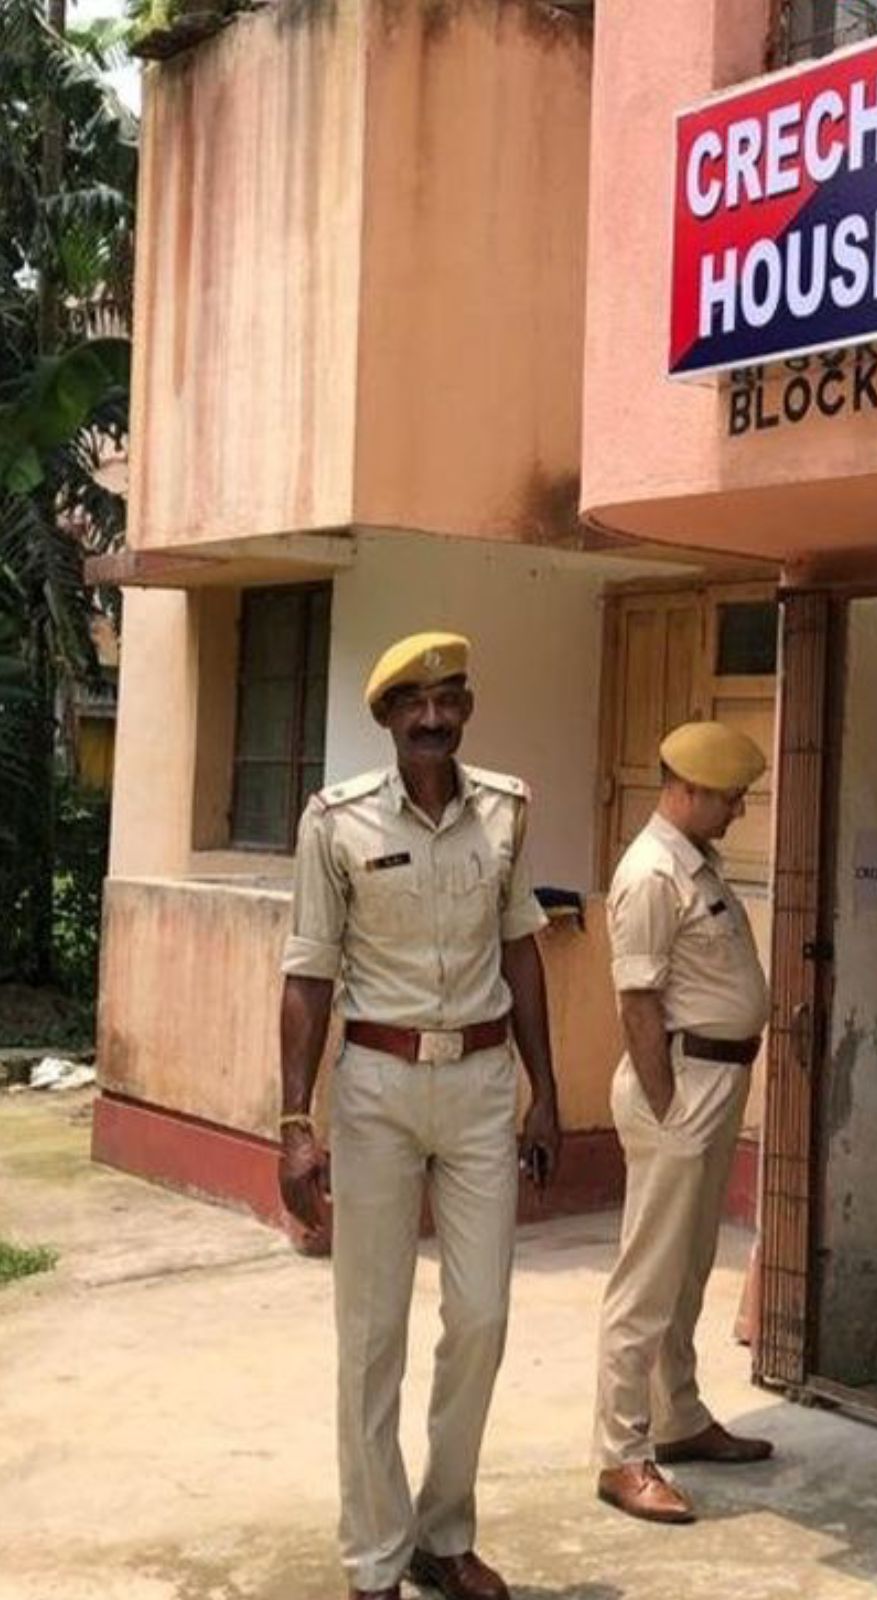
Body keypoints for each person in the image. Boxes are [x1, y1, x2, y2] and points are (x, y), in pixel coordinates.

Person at [277, 630, 560, 1600]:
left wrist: (546, 1093)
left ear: (466, 709)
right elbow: (308, 974)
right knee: (371, 1332)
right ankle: (374, 1557)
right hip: (376, 1089)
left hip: (481, 1086)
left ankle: (444, 1533)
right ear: (388, 719)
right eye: (413, 704)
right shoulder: (335, 821)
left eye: (447, 701)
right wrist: (294, 1124)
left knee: (481, 1317)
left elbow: (521, 950)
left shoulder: (507, 810)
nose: (432, 718)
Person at [593, 720, 774, 1525]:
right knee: (647, 1278)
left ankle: (679, 1416)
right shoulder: (652, 873)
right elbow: (636, 1002)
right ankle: (620, 1453)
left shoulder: (698, 863)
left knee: (688, 1267)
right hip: (680, 1083)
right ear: (689, 790)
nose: (739, 810)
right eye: (730, 797)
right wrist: (666, 1106)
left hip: (713, 1079)